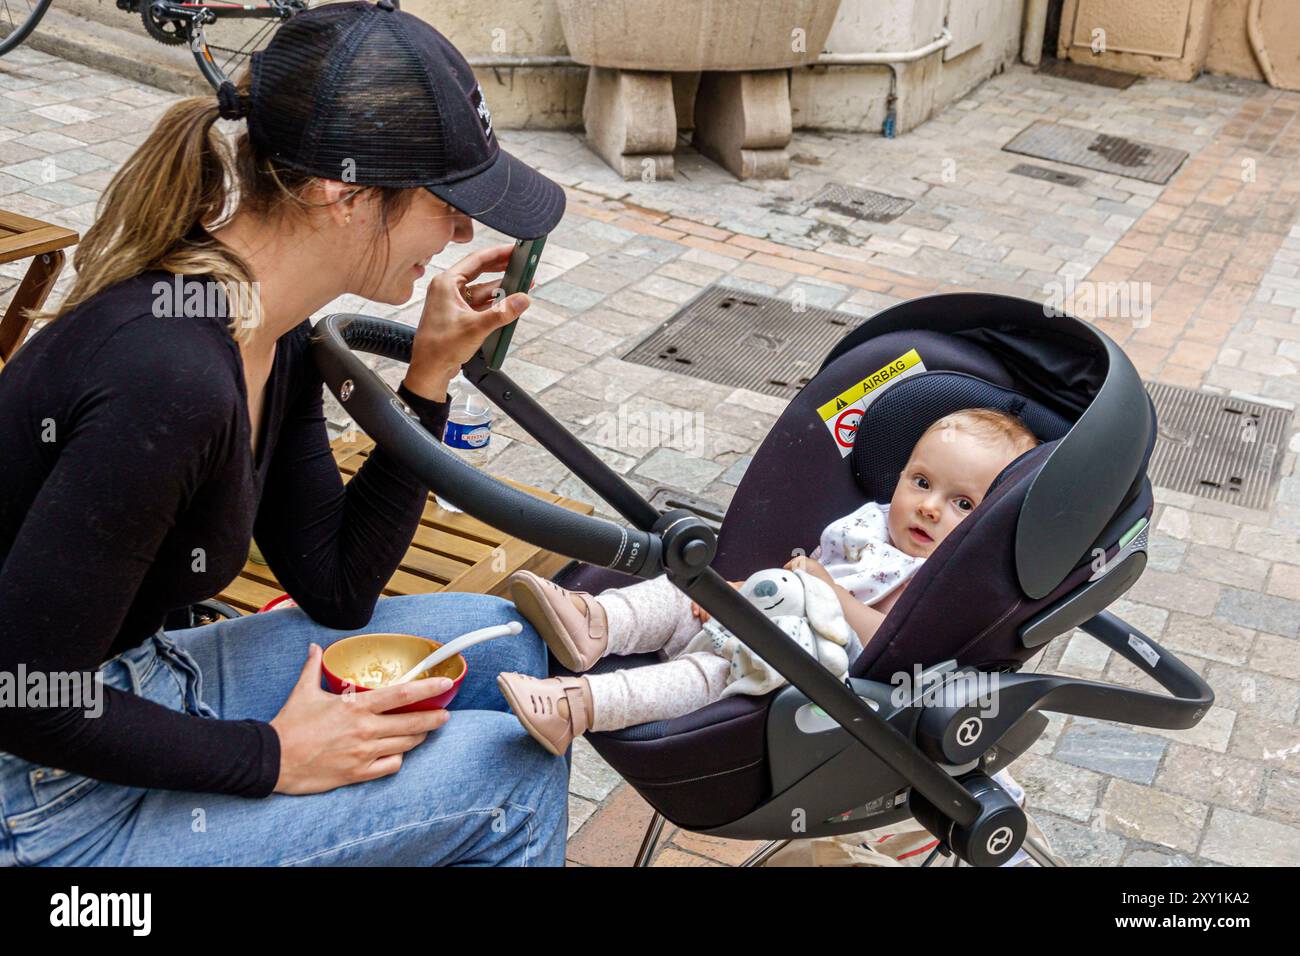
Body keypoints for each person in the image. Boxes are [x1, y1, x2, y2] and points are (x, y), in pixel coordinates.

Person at [0, 2, 571, 866]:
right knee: (507, 777)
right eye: (448, 202)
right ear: (339, 193)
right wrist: (274, 759)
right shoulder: (169, 377)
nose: (462, 233)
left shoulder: (274, 332)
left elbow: (336, 587)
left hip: (143, 682)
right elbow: (26, 695)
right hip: (37, 799)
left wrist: (428, 379)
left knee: (507, 642)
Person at [497, 409, 1040, 754]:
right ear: (899, 476)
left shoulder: (932, 577)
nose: (927, 507)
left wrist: (828, 588)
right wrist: (737, 595)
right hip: (761, 619)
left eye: (961, 504)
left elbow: (887, 644)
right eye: (921, 482)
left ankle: (579, 705)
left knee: (704, 672)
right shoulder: (870, 526)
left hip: (799, 674)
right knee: (687, 590)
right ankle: (597, 623)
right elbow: (783, 585)